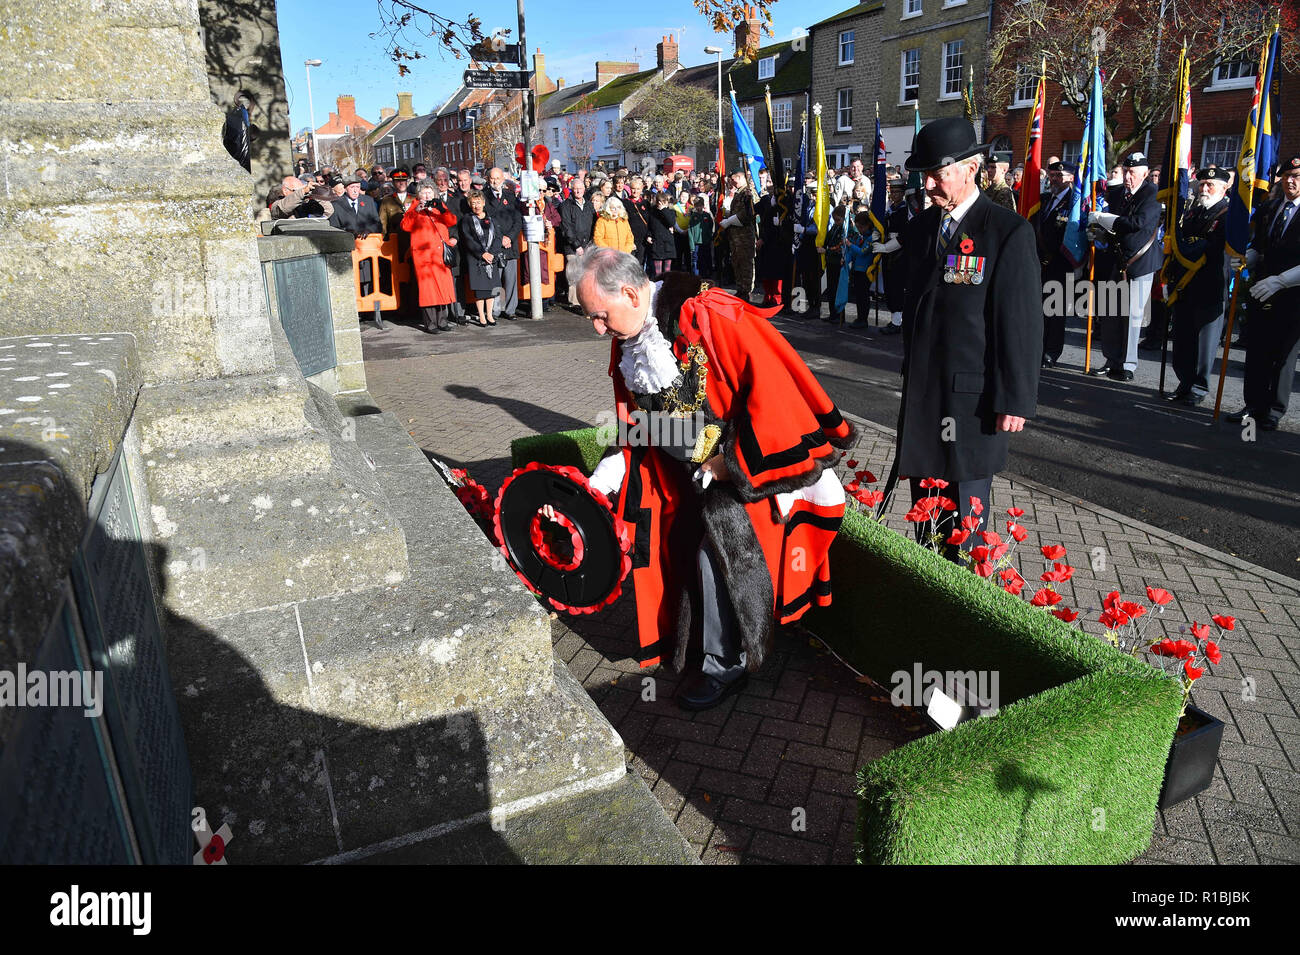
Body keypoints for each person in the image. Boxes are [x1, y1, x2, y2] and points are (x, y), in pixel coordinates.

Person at [566, 247, 855, 709]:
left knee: (715, 556)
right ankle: (694, 644)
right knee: (673, 549)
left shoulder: (706, 313)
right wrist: (603, 476)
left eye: (599, 316)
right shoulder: (630, 337)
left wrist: (729, 464)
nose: (598, 329)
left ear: (627, 293)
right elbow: (640, 422)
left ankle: (727, 666)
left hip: (738, 474)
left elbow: (772, 390)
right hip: (680, 474)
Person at [894, 118, 1042, 560]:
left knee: (964, 524)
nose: (929, 185)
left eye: (939, 174)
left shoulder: (1007, 232)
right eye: (924, 175)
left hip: (972, 402)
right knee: (926, 515)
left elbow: (1019, 324)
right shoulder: (921, 228)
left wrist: (1015, 398)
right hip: (925, 394)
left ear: (972, 168)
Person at [1230, 154, 1300, 430]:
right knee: (1257, 349)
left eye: (1296, 177)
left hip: (1293, 293)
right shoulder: (1270, 207)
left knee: (1284, 353)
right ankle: (1253, 404)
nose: (1290, 182)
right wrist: (1245, 257)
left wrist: (1281, 281)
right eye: (1286, 177)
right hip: (1262, 289)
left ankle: (1274, 409)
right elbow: (1259, 245)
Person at [1088, 152, 1162, 381]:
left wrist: (1105, 219)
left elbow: (1138, 223)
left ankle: (1127, 364)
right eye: (1126, 171)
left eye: (1133, 172)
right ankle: (1111, 360)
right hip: (1117, 260)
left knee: (1132, 316)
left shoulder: (1152, 194)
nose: (1128, 177)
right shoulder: (1121, 193)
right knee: (1111, 314)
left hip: (1140, 262)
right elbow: (1113, 224)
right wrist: (1098, 229)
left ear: (1145, 173)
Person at [1163, 166, 1231, 406]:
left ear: (1224, 188)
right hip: (1184, 287)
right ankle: (1184, 383)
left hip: (1209, 287)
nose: (1204, 188)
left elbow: (1211, 249)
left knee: (1204, 344)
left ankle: (1198, 389)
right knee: (1183, 340)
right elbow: (1180, 246)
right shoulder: (1192, 214)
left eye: (1210, 185)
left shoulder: (1228, 214)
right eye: (1201, 183)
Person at [1032, 160, 1078, 367]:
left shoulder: (1074, 202)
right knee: (1039, 308)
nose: (1054, 180)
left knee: (1056, 310)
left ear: (1070, 178)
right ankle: (1037, 346)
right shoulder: (1042, 199)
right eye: (1052, 176)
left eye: (1060, 176)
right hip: (1040, 261)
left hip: (1061, 261)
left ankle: (1051, 351)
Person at [402, 184, 460, 333]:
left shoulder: (438, 205)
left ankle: (442, 321)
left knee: (442, 287)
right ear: (419, 194)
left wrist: (441, 210)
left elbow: (452, 221)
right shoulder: (414, 206)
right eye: (424, 192)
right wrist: (416, 212)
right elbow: (406, 226)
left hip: (439, 255)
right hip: (424, 256)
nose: (427, 195)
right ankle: (430, 323)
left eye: (430, 192)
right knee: (428, 290)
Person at [460, 189, 503, 327]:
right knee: (480, 290)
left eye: (478, 202)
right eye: (473, 203)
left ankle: (490, 315)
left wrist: (492, 253)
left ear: (483, 203)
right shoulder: (467, 220)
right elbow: (468, 239)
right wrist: (482, 253)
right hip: (476, 259)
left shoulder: (491, 219)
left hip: (491, 258)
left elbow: (498, 237)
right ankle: (481, 315)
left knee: (490, 289)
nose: (476, 206)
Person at [486, 167, 523, 319]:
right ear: (488, 180)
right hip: (494, 244)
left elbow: (517, 220)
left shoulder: (511, 196)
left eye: (498, 178)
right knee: (496, 280)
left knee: (510, 280)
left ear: (503, 180)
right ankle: (496, 309)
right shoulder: (484, 197)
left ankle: (510, 310)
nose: (495, 181)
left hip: (511, 244)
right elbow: (486, 221)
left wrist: (510, 237)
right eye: (492, 178)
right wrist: (500, 238)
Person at [719, 171, 756, 299]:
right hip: (735, 237)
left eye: (733, 179)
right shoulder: (738, 193)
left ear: (739, 177)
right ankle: (740, 288)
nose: (731, 182)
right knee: (737, 263)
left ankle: (746, 291)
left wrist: (729, 221)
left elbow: (748, 214)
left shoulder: (747, 193)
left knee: (746, 264)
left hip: (744, 237)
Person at [559, 179, 595, 308]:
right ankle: (574, 303)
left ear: (584, 189)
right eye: (575, 188)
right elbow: (566, 227)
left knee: (586, 275)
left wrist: (590, 244)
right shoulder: (565, 206)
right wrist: (576, 245)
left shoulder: (589, 205)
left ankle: (584, 300)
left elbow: (593, 224)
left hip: (588, 246)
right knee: (574, 275)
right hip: (572, 247)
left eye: (580, 188)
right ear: (571, 189)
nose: (578, 191)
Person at [821, 204, 847, 324]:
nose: (836, 222)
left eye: (838, 220)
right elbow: (828, 239)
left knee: (837, 289)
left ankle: (838, 315)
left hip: (838, 262)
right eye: (835, 219)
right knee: (831, 289)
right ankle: (832, 313)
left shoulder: (845, 229)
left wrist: (826, 250)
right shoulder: (835, 227)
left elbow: (840, 246)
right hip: (831, 262)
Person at [647, 192, 677, 278]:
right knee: (658, 273)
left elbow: (671, 222)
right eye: (659, 201)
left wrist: (663, 209)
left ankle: (666, 287)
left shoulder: (671, 211)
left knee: (667, 271)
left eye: (663, 201)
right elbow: (649, 225)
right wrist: (648, 235)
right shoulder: (652, 212)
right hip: (657, 242)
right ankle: (658, 287)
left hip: (668, 243)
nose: (660, 203)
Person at [378, 169, 417, 236]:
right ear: (393, 183)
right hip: (395, 238)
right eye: (398, 181)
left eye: (403, 180)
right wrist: (384, 239)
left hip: (413, 237)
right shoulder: (386, 200)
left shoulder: (415, 198)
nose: (401, 183)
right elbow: (383, 222)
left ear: (407, 182)